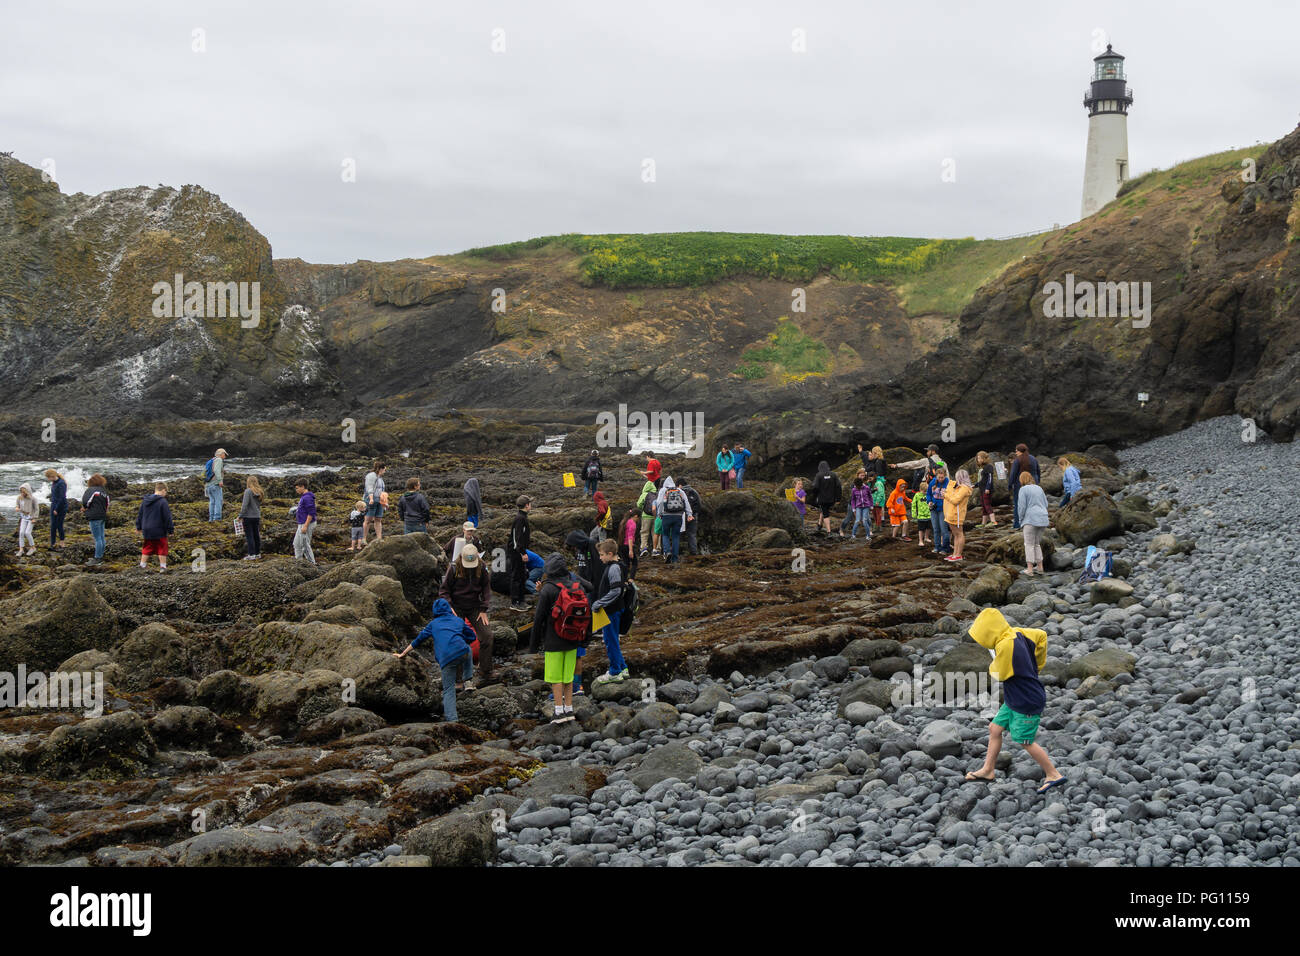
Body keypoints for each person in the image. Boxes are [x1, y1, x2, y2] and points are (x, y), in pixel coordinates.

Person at [964, 607, 1064, 794]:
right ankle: (988, 770)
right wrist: (1037, 664)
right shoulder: (1017, 632)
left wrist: (994, 662)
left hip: (1026, 700)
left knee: (1025, 740)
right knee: (994, 728)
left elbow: (1000, 674)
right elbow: (1041, 635)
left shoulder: (1004, 645)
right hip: (1014, 697)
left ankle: (1053, 774)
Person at [529, 552, 590, 724]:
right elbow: (588, 613)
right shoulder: (576, 586)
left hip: (553, 639)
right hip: (573, 639)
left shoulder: (547, 589)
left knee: (555, 678)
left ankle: (558, 711)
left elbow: (539, 618)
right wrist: (585, 639)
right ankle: (569, 709)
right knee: (568, 677)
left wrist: (533, 646)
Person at [396, 598, 478, 721]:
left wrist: (402, 653)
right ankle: (468, 680)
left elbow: (418, 640)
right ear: (450, 609)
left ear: (435, 611)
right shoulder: (457, 620)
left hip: (446, 659)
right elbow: (472, 637)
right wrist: (457, 625)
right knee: (467, 648)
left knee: (448, 690)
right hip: (461, 651)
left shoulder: (433, 624)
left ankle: (452, 721)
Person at [438, 543, 493, 684]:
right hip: (457, 607)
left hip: (475, 607)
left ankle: (485, 671)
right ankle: (457, 677)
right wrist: (450, 607)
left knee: (487, 636)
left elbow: (486, 588)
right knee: (457, 639)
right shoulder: (454, 568)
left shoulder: (481, 567)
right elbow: (444, 591)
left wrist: (484, 609)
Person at [563, 529, 600, 694]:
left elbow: (597, 566)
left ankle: (576, 687)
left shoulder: (591, 545)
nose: (573, 549)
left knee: (592, 608)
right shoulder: (579, 549)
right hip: (583, 583)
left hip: (591, 584)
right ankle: (575, 686)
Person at [591, 539, 630, 684]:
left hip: (611, 611)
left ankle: (614, 671)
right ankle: (623, 667)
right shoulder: (618, 565)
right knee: (613, 640)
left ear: (610, 553)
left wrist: (599, 603)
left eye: (601, 555)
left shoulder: (614, 568)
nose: (600, 558)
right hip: (614, 610)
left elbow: (616, 590)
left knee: (610, 640)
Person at [135, 481, 173, 572]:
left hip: (146, 529)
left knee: (147, 547)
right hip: (159, 529)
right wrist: (170, 530)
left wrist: (138, 527)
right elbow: (167, 517)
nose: (165, 494)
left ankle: (142, 565)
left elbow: (140, 514)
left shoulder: (145, 501)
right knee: (162, 547)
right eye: (166, 492)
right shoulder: (162, 502)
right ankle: (163, 567)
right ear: (163, 490)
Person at [1016, 472, 1050, 576]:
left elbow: (1021, 507)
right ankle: (1040, 567)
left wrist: (1020, 520)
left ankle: (1030, 569)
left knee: (1029, 544)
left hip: (1030, 519)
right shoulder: (1039, 488)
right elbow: (1046, 504)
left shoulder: (1023, 489)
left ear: (1022, 480)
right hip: (1043, 518)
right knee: (1036, 544)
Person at [656, 476, 692, 564]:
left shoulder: (663, 490)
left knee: (665, 535)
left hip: (666, 516)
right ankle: (675, 558)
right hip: (678, 516)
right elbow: (686, 502)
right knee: (676, 536)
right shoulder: (680, 491)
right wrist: (689, 514)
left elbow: (660, 503)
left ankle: (667, 552)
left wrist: (659, 514)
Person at [1008, 444, 1040, 530]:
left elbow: (1013, 474)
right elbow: (1038, 471)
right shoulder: (1033, 458)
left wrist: (1010, 485)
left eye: (1016, 451)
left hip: (1020, 485)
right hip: (1034, 483)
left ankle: (1017, 524)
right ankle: (1033, 522)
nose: (1016, 452)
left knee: (1018, 504)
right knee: (1032, 504)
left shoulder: (1017, 460)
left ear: (1020, 451)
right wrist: (1038, 482)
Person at [508, 495, 532, 610]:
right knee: (516, 576)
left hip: (519, 551)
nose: (531, 505)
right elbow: (516, 539)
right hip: (516, 552)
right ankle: (515, 602)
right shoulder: (520, 519)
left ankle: (521, 600)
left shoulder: (523, 517)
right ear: (526, 505)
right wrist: (522, 553)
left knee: (522, 576)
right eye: (530, 503)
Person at [81, 474, 110, 565]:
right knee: (101, 537)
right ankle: (100, 556)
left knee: (97, 538)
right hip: (102, 515)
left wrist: (85, 508)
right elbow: (107, 504)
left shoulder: (91, 490)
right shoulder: (104, 491)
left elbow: (86, 501)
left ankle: (97, 558)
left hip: (94, 516)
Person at [945, 469, 974, 561]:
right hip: (953, 513)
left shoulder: (964, 488)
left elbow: (955, 500)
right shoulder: (959, 487)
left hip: (957, 514)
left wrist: (945, 495)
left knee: (959, 534)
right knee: (956, 534)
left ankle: (958, 555)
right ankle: (955, 554)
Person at [811, 461, 841, 535]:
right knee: (824, 510)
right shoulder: (833, 474)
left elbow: (815, 487)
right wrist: (838, 498)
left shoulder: (819, 475)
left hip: (822, 499)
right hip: (832, 499)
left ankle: (829, 532)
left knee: (826, 514)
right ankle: (819, 524)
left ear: (819, 468)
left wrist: (814, 496)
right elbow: (838, 486)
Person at [927, 465, 952, 555]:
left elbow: (951, 496)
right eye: (939, 477)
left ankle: (945, 548)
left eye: (942, 477)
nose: (940, 479)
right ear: (936, 476)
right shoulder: (933, 482)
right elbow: (928, 494)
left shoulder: (948, 483)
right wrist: (929, 501)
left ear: (945, 476)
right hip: (933, 509)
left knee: (944, 529)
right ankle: (937, 547)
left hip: (943, 509)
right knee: (936, 529)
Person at [293, 479, 316, 564]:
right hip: (301, 523)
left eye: (297, 488)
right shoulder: (303, 496)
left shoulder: (308, 497)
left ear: (303, 487)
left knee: (305, 545)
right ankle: (298, 561)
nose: (296, 490)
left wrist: (305, 526)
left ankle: (312, 563)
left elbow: (311, 513)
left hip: (306, 524)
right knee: (296, 544)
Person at [240, 475, 263, 560]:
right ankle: (257, 553)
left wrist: (240, 516)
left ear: (248, 482)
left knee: (250, 536)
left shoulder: (248, 491)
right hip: (257, 516)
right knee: (256, 535)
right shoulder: (260, 492)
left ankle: (251, 554)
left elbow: (244, 505)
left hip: (248, 517)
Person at [362, 460, 387, 543]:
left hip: (379, 501)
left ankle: (379, 538)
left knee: (378, 519)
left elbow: (382, 491)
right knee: (368, 520)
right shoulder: (371, 476)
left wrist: (385, 502)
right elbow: (369, 488)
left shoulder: (380, 478)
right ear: (380, 469)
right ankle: (364, 539)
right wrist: (371, 498)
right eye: (384, 469)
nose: (385, 471)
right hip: (370, 500)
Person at [44, 468, 68, 549]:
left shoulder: (61, 483)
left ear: (52, 476)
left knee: (59, 525)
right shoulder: (54, 482)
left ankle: (62, 543)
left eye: (48, 477)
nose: (48, 479)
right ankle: (53, 543)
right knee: (53, 526)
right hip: (53, 505)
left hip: (61, 506)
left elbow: (62, 497)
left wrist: (56, 509)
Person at [636, 474, 660, 557]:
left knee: (644, 532)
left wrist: (643, 508)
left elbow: (638, 504)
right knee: (656, 532)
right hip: (656, 516)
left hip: (646, 516)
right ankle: (656, 549)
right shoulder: (657, 494)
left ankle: (644, 549)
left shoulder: (644, 494)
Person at [679, 478, 703, 555]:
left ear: (680, 485)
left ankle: (679, 552)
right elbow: (699, 504)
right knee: (692, 534)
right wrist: (694, 514)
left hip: (682, 516)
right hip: (693, 516)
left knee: (679, 534)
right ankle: (693, 552)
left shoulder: (680, 492)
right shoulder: (694, 491)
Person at [14, 483, 39, 556]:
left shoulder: (33, 499)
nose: (22, 493)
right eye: (21, 492)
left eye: (24, 492)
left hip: (31, 518)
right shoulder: (19, 498)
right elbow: (17, 505)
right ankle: (21, 549)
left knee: (27, 533)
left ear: (28, 491)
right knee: (21, 533)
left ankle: (33, 547)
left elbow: (37, 509)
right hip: (23, 518)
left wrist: (34, 518)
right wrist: (16, 508)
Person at [203, 449, 227, 522]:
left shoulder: (212, 460)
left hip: (208, 485)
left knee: (212, 502)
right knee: (218, 501)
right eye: (224, 454)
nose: (225, 456)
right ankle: (217, 518)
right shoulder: (219, 460)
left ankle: (211, 519)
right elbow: (216, 470)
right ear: (221, 454)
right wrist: (220, 480)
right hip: (215, 484)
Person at [849, 472, 872, 540]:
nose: (857, 488)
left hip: (866, 506)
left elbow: (870, 497)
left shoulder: (866, 488)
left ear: (861, 484)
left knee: (864, 520)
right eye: (856, 486)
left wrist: (871, 505)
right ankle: (853, 535)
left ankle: (868, 536)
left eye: (858, 487)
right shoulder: (854, 489)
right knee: (857, 520)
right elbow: (853, 500)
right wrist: (853, 508)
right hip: (858, 506)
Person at [976, 451, 997, 526]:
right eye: (977, 458)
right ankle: (983, 523)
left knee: (987, 504)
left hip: (986, 490)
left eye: (979, 458)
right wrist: (975, 485)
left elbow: (990, 478)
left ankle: (993, 521)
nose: (978, 459)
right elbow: (982, 480)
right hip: (982, 489)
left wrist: (988, 488)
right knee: (983, 506)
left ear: (983, 458)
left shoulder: (989, 466)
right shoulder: (983, 467)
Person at [618, 508, 640, 579]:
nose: (639, 520)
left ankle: (624, 579)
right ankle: (631, 579)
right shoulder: (633, 524)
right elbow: (630, 537)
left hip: (621, 545)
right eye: (639, 518)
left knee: (626, 563)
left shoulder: (625, 521)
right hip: (628, 545)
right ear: (636, 516)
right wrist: (631, 550)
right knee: (634, 563)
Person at [910, 480, 930, 548]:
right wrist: (914, 513)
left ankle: (926, 538)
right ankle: (920, 540)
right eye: (924, 491)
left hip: (929, 515)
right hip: (921, 516)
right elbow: (913, 505)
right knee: (921, 529)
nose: (925, 492)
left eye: (926, 491)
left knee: (928, 527)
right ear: (920, 490)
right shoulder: (917, 495)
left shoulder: (928, 495)